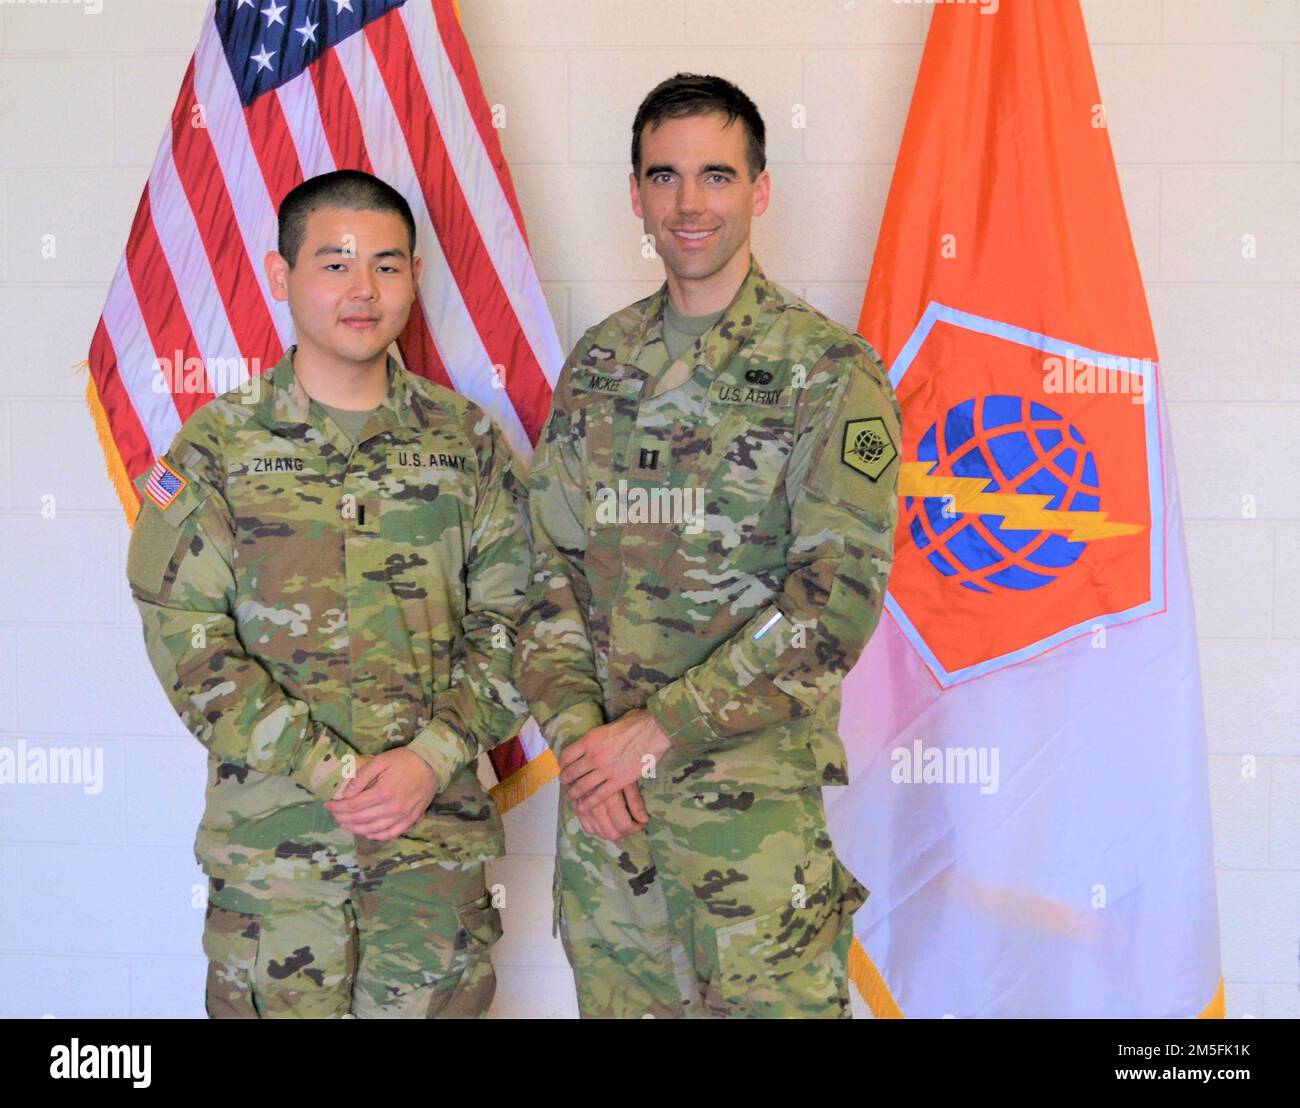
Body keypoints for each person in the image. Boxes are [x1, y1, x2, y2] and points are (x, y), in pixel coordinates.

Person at [513, 73, 902, 1018]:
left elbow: (832, 606)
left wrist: (652, 733)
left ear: (760, 190)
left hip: (753, 845)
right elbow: (537, 571)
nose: (691, 203)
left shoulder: (829, 372)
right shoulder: (600, 364)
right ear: (637, 194)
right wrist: (582, 747)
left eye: (718, 175)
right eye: (666, 176)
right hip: (613, 837)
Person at [125, 169, 531, 1018]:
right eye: (336, 264)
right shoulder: (215, 451)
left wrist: (434, 756)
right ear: (282, 277)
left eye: (387, 265)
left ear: (415, 277)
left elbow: (521, 620)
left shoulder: (466, 445)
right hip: (278, 870)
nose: (363, 290)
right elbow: (186, 637)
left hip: (430, 868)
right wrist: (327, 768)